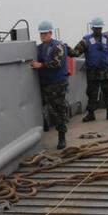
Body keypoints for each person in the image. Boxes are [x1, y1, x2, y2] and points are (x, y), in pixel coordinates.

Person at [30, 20, 69, 149]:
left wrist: (41, 65)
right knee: (47, 108)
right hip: (46, 84)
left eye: (45, 33)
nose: (42, 36)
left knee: (59, 110)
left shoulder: (58, 46)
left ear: (50, 33)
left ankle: (62, 137)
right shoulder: (40, 48)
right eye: (41, 34)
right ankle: (45, 124)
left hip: (57, 84)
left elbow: (57, 64)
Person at [69, 17, 108, 122]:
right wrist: (66, 49)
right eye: (96, 28)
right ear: (92, 28)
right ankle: (91, 114)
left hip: (106, 71)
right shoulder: (85, 41)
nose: (98, 30)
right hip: (92, 72)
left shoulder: (107, 39)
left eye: (100, 28)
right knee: (91, 93)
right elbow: (75, 52)